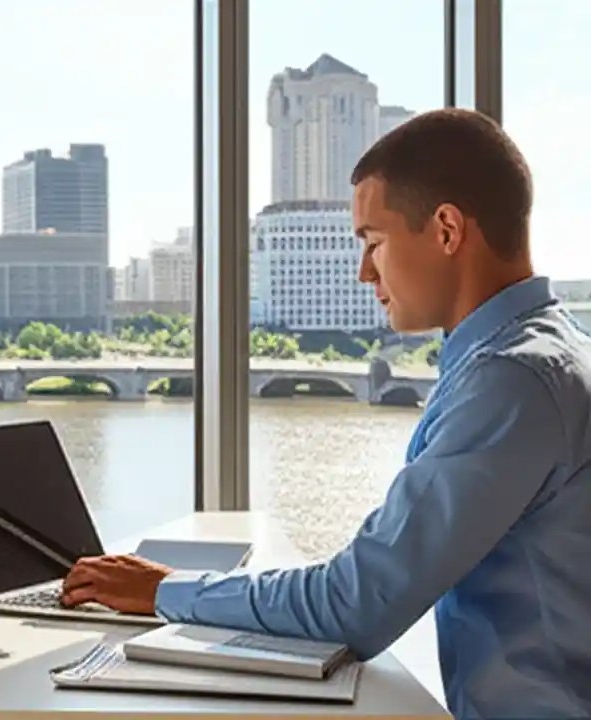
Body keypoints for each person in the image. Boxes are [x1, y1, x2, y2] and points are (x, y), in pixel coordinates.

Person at [60, 108, 591, 719]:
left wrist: (161, 591)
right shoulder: (547, 350)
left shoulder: (510, 382)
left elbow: (358, 603)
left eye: (373, 242)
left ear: (446, 229)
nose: (364, 272)